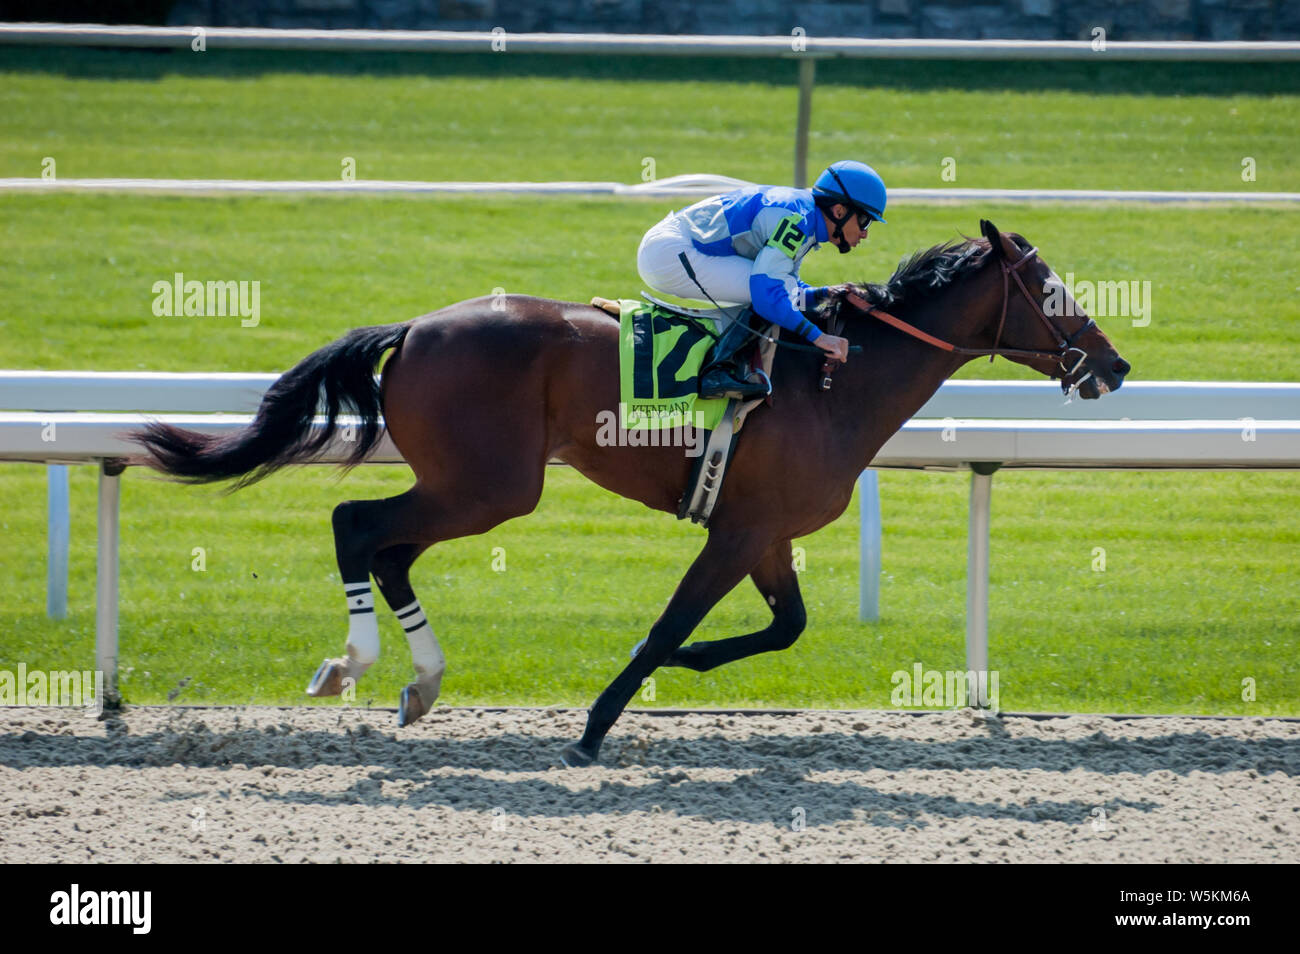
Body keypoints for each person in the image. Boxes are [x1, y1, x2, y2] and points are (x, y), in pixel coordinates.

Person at [636, 160, 887, 400]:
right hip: (669, 254)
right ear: (839, 210)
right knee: (767, 292)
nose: (865, 233)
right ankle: (718, 370)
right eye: (864, 220)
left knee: (777, 290)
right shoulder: (798, 220)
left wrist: (824, 293)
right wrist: (818, 337)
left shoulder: (805, 218)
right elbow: (767, 294)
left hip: (670, 248)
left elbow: (787, 288)